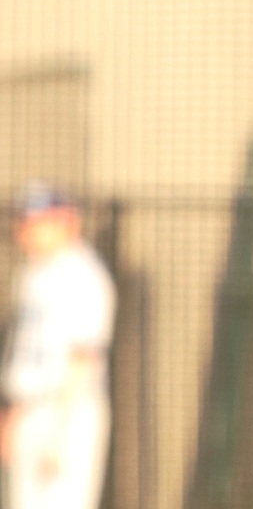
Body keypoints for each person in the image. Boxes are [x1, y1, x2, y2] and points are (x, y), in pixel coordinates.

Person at [1, 182, 114, 509]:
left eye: (35, 222)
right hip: (30, 410)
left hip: (66, 412)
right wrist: (14, 416)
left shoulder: (84, 276)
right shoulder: (33, 275)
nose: (25, 230)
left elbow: (83, 358)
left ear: (66, 221)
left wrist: (61, 434)